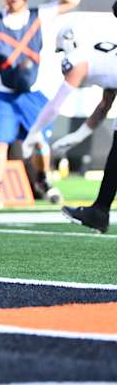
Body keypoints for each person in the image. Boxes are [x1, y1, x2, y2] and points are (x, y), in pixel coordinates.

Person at [0, 0, 79, 208]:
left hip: (32, 91)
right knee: (0, 142)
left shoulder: (37, 15)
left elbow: (73, 0)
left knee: (40, 142)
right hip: (5, 91)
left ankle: (43, 180)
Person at [28, 27, 117, 233]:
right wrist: (77, 137)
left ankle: (100, 211)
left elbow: (55, 106)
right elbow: (105, 105)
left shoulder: (78, 59)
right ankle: (100, 211)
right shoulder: (104, 59)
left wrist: (33, 133)